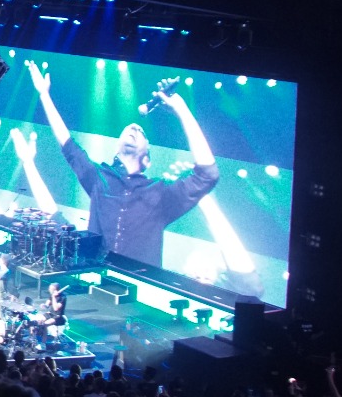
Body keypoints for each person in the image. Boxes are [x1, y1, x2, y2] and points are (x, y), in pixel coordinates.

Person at [26, 62, 219, 268]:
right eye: (128, 129)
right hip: (96, 281)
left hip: (139, 288)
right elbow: (68, 146)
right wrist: (44, 95)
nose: (134, 127)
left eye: (141, 132)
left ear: (148, 160)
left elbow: (208, 174)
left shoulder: (161, 193)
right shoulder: (100, 179)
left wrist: (181, 110)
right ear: (117, 149)